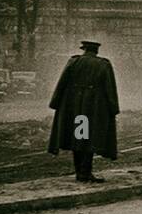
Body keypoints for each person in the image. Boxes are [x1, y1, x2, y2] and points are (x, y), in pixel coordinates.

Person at [47, 40, 119, 182]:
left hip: (74, 108)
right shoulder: (103, 64)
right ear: (96, 51)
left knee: (79, 138)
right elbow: (110, 89)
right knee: (89, 140)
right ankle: (85, 173)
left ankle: (80, 172)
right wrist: (113, 108)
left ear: (84, 49)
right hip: (94, 109)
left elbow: (61, 83)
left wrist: (55, 103)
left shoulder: (73, 62)